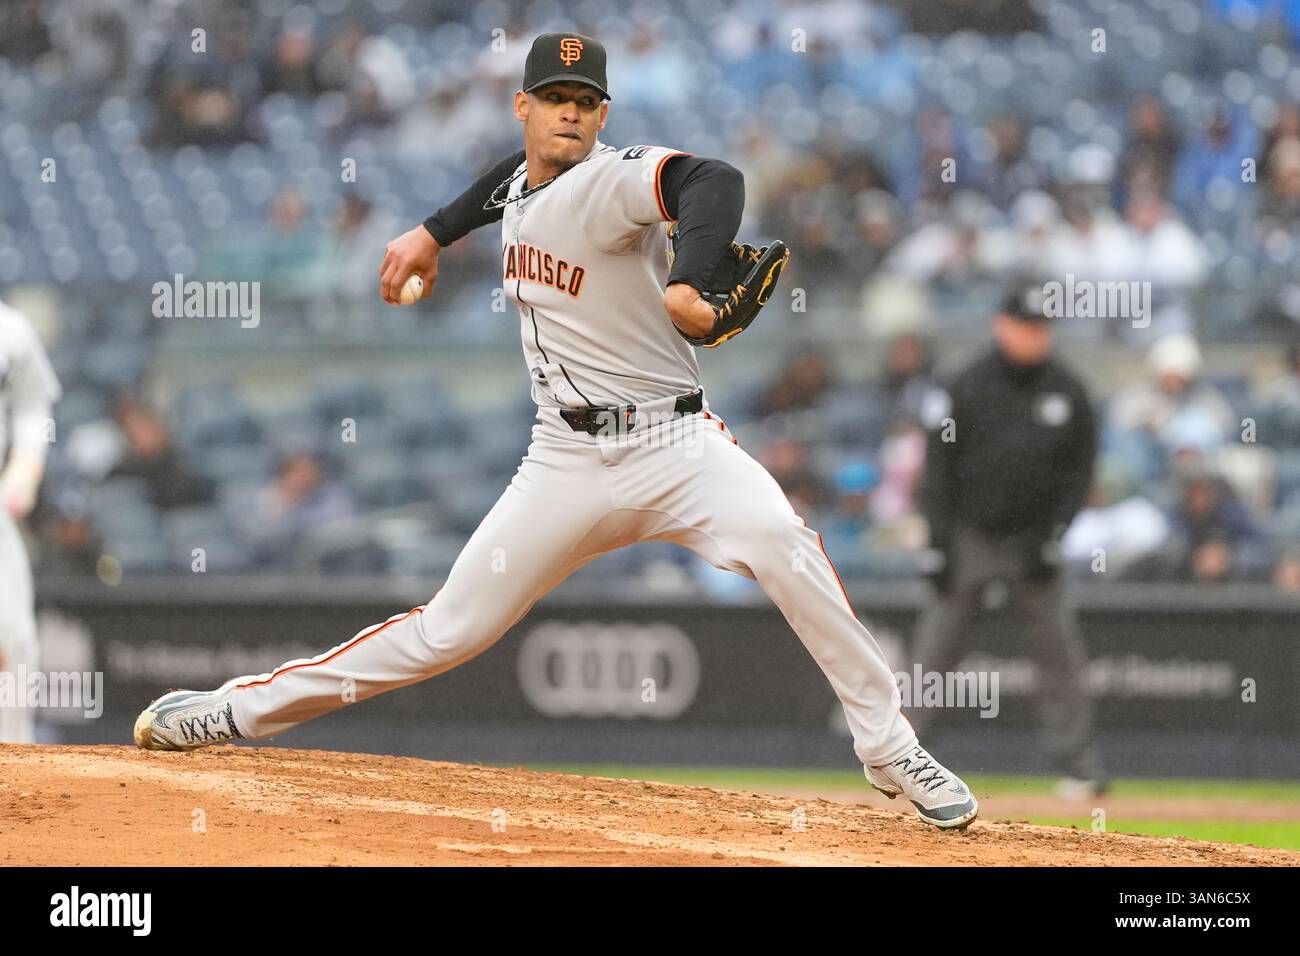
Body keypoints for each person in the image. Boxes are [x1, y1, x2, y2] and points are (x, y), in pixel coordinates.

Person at [134, 32, 978, 830]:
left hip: (676, 447)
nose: (570, 112)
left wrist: (686, 285)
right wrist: (434, 231)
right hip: (566, 459)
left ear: (605, 115)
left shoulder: (610, 181)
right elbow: (511, 181)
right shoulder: (525, 184)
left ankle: (891, 748)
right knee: (449, 631)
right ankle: (235, 710)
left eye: (586, 100)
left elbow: (712, 179)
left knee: (784, 544)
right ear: (523, 107)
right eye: (553, 98)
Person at [913, 283, 1107, 798]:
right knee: (934, 652)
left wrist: (1056, 533)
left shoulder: (1067, 388)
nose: (1033, 338)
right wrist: (937, 540)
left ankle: (1079, 765)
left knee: (1058, 651)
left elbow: (1080, 469)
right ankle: (900, 759)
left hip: (1034, 541)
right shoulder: (966, 382)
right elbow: (937, 466)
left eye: (1042, 329)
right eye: (1025, 326)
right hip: (969, 534)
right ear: (1002, 324)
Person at [0, 296, 62, 742]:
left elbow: (33, 407)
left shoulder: (11, 330)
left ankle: (14, 766)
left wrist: (26, 462)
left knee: (14, 636)